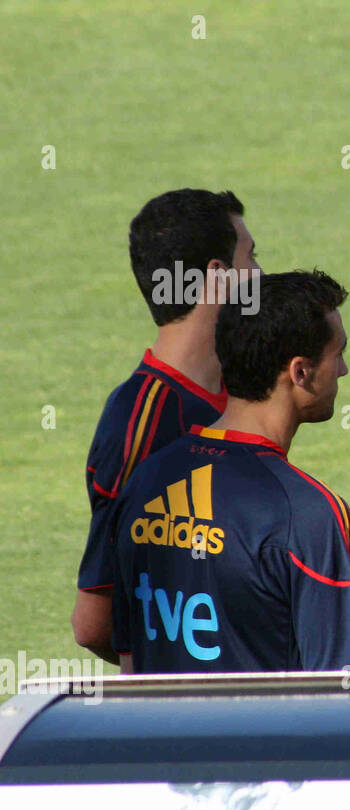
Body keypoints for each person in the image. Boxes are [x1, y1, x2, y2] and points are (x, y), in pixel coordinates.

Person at [108, 270, 350, 673]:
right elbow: (345, 689)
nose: (343, 370)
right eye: (338, 353)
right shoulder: (309, 516)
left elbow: (131, 662)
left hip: (157, 734)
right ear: (300, 371)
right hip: (262, 738)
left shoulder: (146, 482)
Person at [72, 189, 260, 663]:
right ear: (218, 278)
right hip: (181, 720)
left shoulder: (241, 393)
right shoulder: (142, 422)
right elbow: (94, 621)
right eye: (252, 258)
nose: (261, 276)